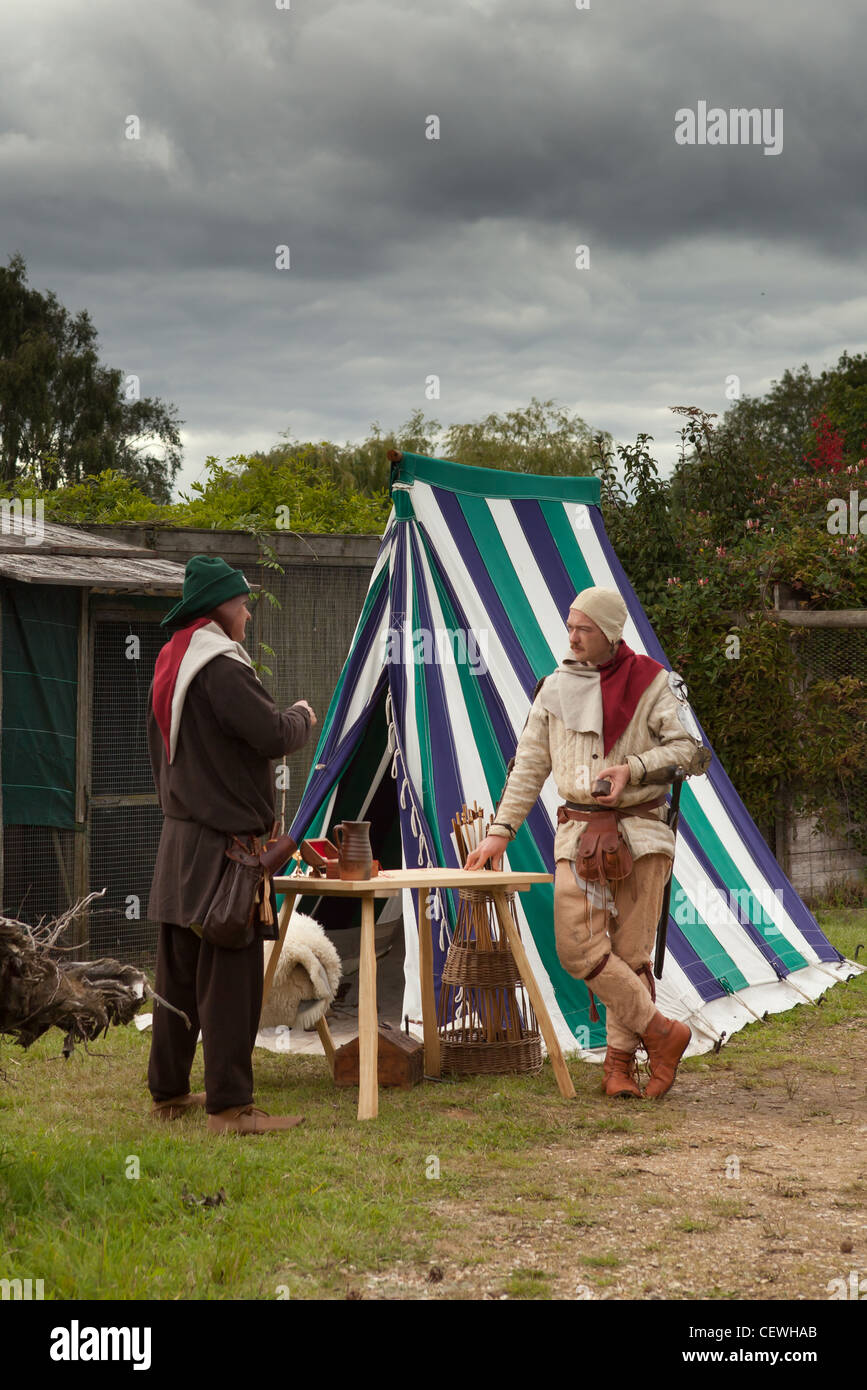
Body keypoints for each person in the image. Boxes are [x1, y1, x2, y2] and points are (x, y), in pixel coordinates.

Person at [464, 586, 706, 1099]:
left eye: (584, 629)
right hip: (577, 836)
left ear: (611, 632)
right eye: (570, 626)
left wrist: (633, 767)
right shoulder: (554, 687)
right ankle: (664, 1033)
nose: (572, 636)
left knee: (632, 954)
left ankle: (618, 1068)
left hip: (640, 833)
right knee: (577, 950)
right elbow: (529, 764)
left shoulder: (654, 683)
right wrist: (499, 832)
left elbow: (690, 750)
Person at [146, 554, 317, 1134]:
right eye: (243, 602)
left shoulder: (174, 661)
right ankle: (229, 1107)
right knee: (229, 978)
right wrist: (301, 715)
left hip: (181, 843)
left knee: (177, 974)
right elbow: (270, 733)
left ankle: (168, 1094)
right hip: (223, 849)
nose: (248, 612)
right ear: (220, 607)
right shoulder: (219, 665)